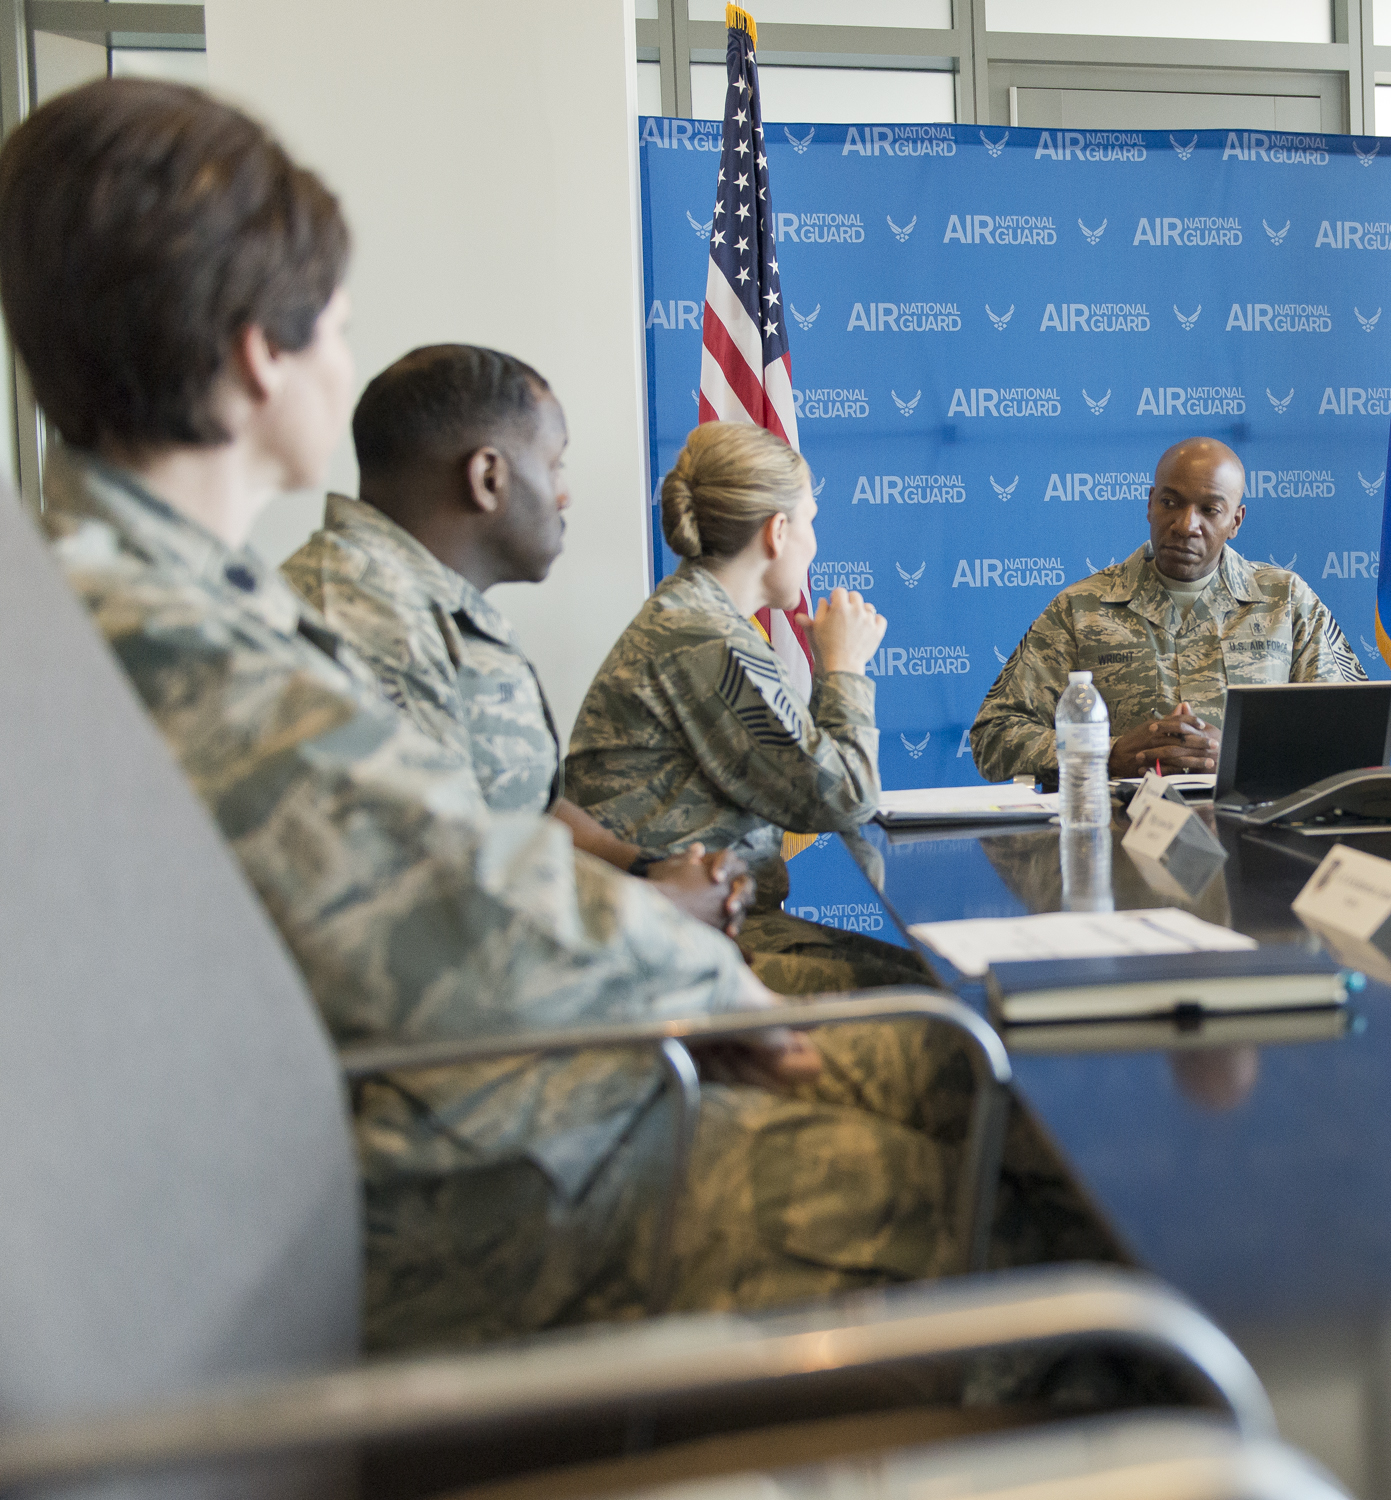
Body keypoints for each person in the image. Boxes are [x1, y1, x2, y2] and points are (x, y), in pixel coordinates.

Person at [1, 78, 1093, 1354]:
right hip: (459, 1174)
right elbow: (445, 886)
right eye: (339, 327)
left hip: (449, 1113)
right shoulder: (171, 635)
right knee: (1045, 1267)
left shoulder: (110, 600)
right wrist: (706, 987)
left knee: (997, 1122)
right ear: (261, 352)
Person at [282, 344, 750, 932]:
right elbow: (430, 891)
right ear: (487, 477)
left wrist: (651, 868)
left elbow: (526, 807)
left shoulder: (423, 598)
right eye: (555, 464)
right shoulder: (360, 616)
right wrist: (661, 910)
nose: (564, 494)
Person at [566, 422, 931, 994]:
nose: (815, 543)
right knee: (943, 1003)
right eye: (810, 521)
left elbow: (808, 775)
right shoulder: (705, 638)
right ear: (778, 532)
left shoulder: (706, 621)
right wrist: (845, 666)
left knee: (939, 983)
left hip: (711, 926)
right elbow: (844, 798)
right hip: (679, 945)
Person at [969, 436, 1366, 784]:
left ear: (1236, 521)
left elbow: (1354, 733)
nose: (1185, 524)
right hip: (1117, 839)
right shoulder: (1080, 608)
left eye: (1210, 510)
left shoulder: (1287, 602)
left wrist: (1237, 754)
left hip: (1253, 836)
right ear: (1150, 504)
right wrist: (1107, 753)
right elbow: (993, 735)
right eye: (1170, 502)